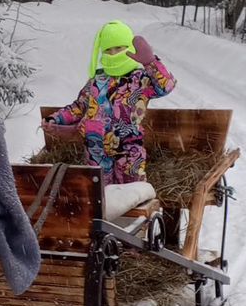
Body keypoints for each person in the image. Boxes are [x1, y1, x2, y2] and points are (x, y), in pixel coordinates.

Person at [43, 20, 176, 185]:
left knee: (131, 197)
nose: (113, 54)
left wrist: (150, 63)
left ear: (129, 48)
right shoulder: (97, 80)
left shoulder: (140, 78)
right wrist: (56, 119)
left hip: (128, 151)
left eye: (119, 48)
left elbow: (167, 86)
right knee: (99, 198)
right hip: (95, 149)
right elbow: (79, 106)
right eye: (108, 50)